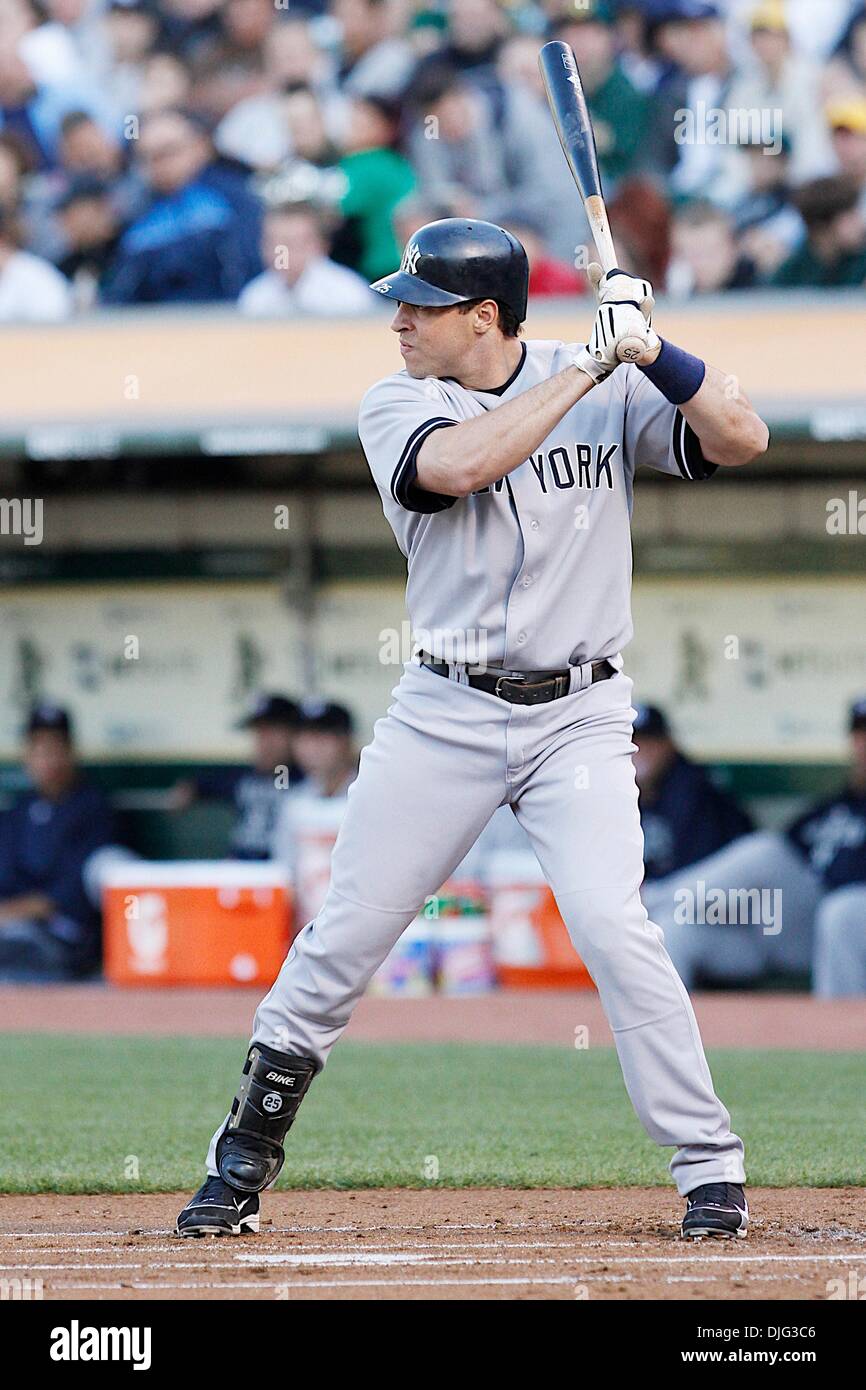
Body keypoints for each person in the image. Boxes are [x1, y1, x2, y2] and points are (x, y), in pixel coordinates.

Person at [177, 215, 768, 1242]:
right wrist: (593, 361)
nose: (397, 318)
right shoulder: (399, 398)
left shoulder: (599, 375)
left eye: (420, 304)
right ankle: (236, 1166)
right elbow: (458, 467)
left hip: (578, 713)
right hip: (444, 709)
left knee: (614, 929)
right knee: (345, 934)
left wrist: (655, 351)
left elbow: (740, 437)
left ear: (482, 314)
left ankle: (708, 1169)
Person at [642, 698, 866, 997]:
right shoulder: (838, 805)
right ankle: (668, 1042)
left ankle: (643, 904)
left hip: (830, 921)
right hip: (774, 929)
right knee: (673, 931)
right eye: (860, 734)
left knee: (770, 854)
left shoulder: (692, 790)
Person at [0, 703, 117, 980]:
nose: (47, 759)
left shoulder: (95, 809)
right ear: (27, 756)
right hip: (14, 928)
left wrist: (11, 912)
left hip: (68, 939)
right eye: (39, 749)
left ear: (70, 752)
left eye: (55, 748)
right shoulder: (20, 809)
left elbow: (69, 892)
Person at [101, 107, 262, 303]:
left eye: (168, 152)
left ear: (199, 146)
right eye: (149, 158)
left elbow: (249, 269)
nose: (160, 165)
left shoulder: (234, 199)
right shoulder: (137, 213)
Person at [170, 694, 304, 860]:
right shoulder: (246, 777)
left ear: (296, 734)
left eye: (272, 732)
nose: (264, 742)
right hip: (240, 868)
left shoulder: (309, 779)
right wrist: (189, 788)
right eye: (259, 733)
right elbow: (201, 784)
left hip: (283, 872)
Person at [633, 704, 753, 882]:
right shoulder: (615, 793)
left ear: (668, 744)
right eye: (632, 743)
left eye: (649, 743)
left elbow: (696, 874)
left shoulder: (695, 790)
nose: (639, 752)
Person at [271, 699, 359, 880]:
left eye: (321, 737)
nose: (311, 748)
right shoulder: (294, 802)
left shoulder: (370, 796)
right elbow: (284, 871)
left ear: (346, 741)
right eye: (303, 738)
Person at [238, 200, 374, 316]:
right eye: (271, 242)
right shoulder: (256, 296)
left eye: (289, 243)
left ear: (318, 245)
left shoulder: (348, 293)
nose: (278, 253)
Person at [770, 174, 866, 288]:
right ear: (821, 228)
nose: (861, 224)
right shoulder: (793, 270)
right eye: (849, 218)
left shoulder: (861, 260)